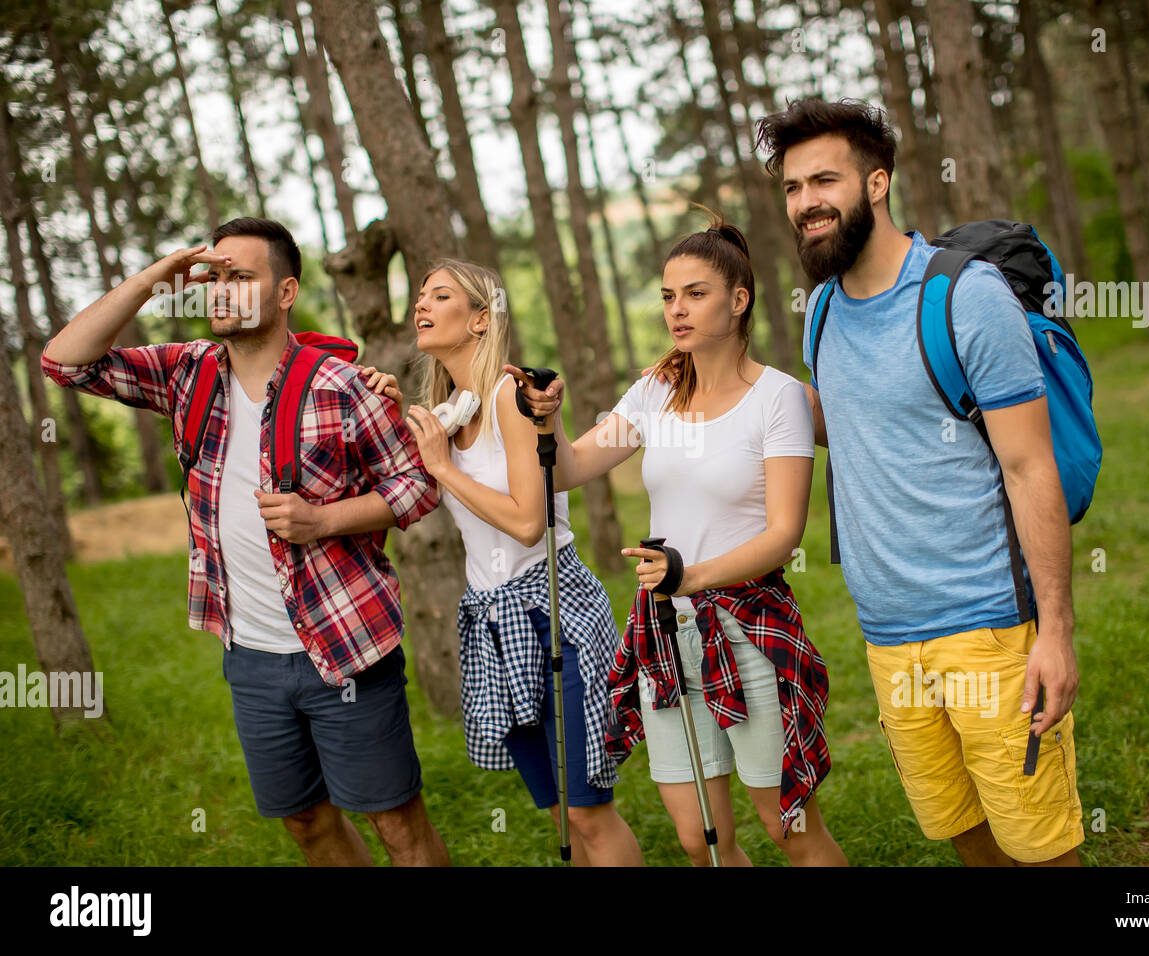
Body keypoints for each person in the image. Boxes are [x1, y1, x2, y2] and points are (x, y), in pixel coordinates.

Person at [41, 217, 450, 866]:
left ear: (285, 292)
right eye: (216, 277)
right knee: (305, 823)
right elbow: (64, 363)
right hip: (250, 656)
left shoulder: (342, 386)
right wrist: (152, 280)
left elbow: (419, 485)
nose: (222, 290)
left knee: (397, 826)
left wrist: (323, 520)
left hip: (345, 643)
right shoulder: (188, 373)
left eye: (241, 277)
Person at [754, 98, 1084, 866]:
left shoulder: (966, 296)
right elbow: (851, 419)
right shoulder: (822, 309)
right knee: (965, 832)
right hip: (888, 636)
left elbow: (1028, 465)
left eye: (824, 181)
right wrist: (731, 382)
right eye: (793, 187)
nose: (805, 203)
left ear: (877, 183)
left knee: (1039, 846)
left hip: (988, 625)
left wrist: (1057, 631)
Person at [512, 211, 847, 866]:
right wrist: (547, 420)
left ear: (739, 300)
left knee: (788, 828)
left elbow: (784, 534)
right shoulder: (655, 391)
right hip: (665, 632)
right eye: (669, 296)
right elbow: (572, 468)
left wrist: (688, 576)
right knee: (699, 839)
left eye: (696, 293)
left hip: (746, 626)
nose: (677, 310)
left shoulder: (777, 398)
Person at [400, 258, 642, 866]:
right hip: (492, 618)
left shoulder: (510, 398)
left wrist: (443, 468)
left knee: (587, 809)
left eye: (440, 296)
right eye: (420, 296)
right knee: (560, 810)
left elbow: (529, 521)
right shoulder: (449, 413)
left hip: (552, 608)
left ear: (481, 319)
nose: (421, 305)